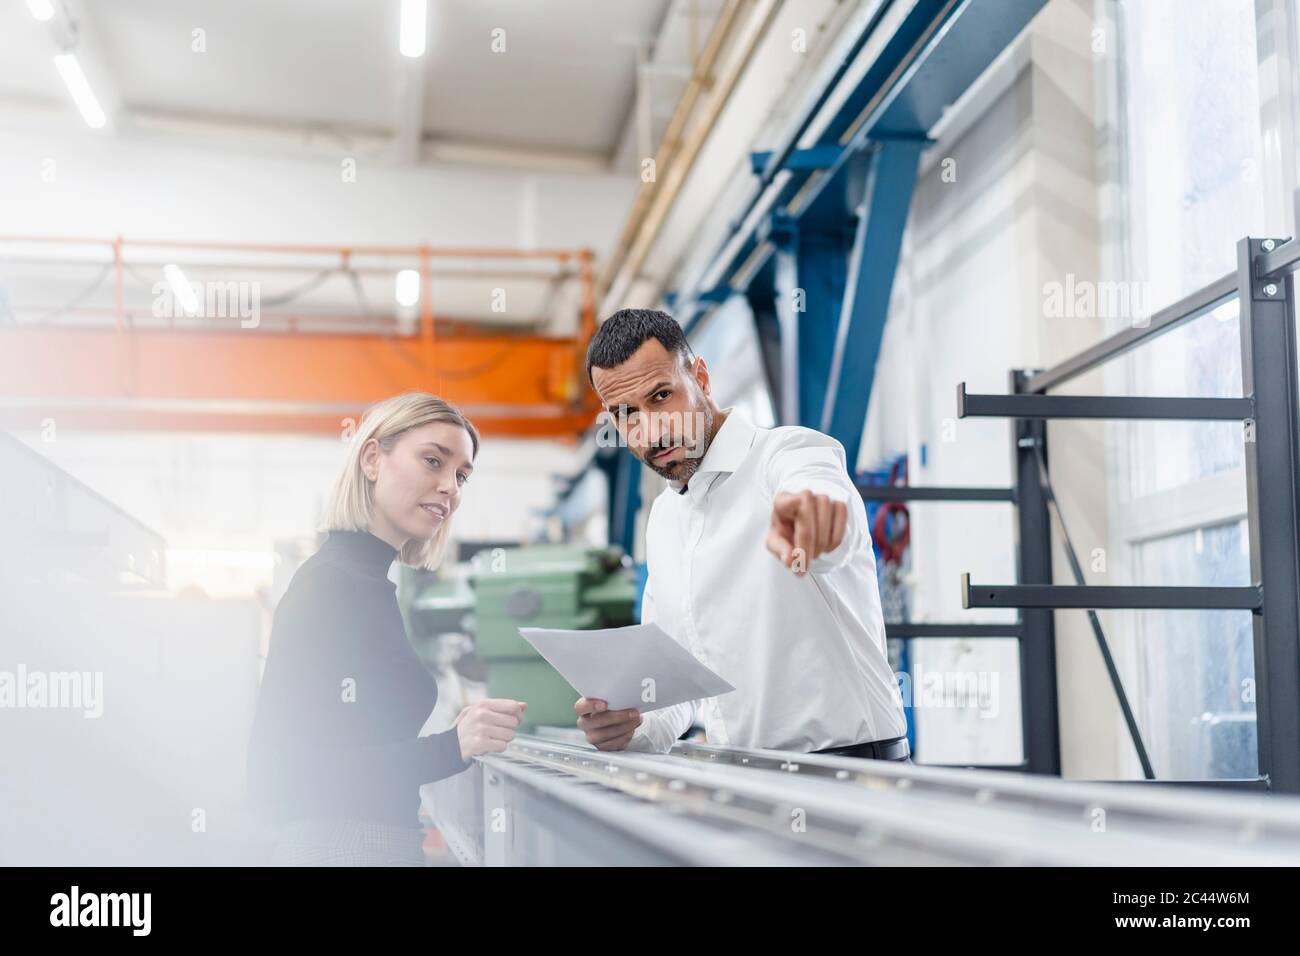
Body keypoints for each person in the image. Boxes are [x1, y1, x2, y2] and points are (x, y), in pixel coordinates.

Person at [574, 309, 909, 761]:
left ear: (701, 377)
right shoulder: (664, 519)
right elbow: (675, 683)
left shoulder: (787, 454)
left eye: (661, 396)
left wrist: (819, 523)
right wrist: (627, 727)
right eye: (626, 414)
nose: (650, 428)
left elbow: (829, 512)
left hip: (851, 771)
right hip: (743, 779)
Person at [245, 392, 526, 865]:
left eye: (461, 475)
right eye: (433, 461)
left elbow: (355, 740)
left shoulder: (365, 583)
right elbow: (293, 772)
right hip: (338, 851)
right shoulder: (332, 585)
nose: (450, 488)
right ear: (372, 459)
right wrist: (451, 747)